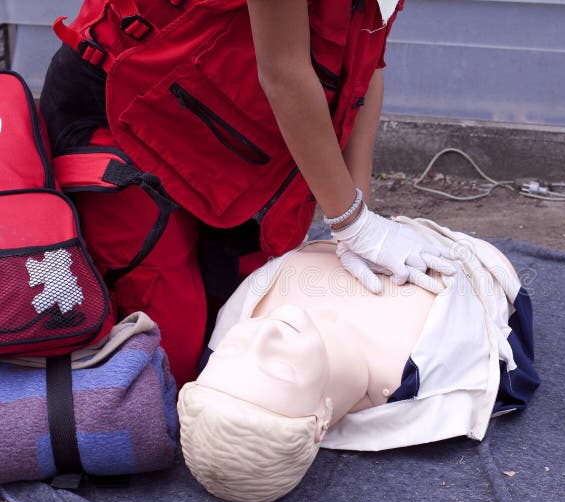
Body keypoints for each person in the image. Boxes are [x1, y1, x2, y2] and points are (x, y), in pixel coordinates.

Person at [38, 0, 452, 388]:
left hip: (221, 132)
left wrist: (360, 222)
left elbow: (365, 64)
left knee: (255, 334)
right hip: (125, 107)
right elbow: (284, 73)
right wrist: (351, 221)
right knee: (172, 361)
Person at [178, 218, 540, 502]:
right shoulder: (426, 371)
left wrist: (354, 219)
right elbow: (498, 289)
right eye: (278, 368)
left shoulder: (242, 312)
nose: (265, 333)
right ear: (320, 421)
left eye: (232, 350)